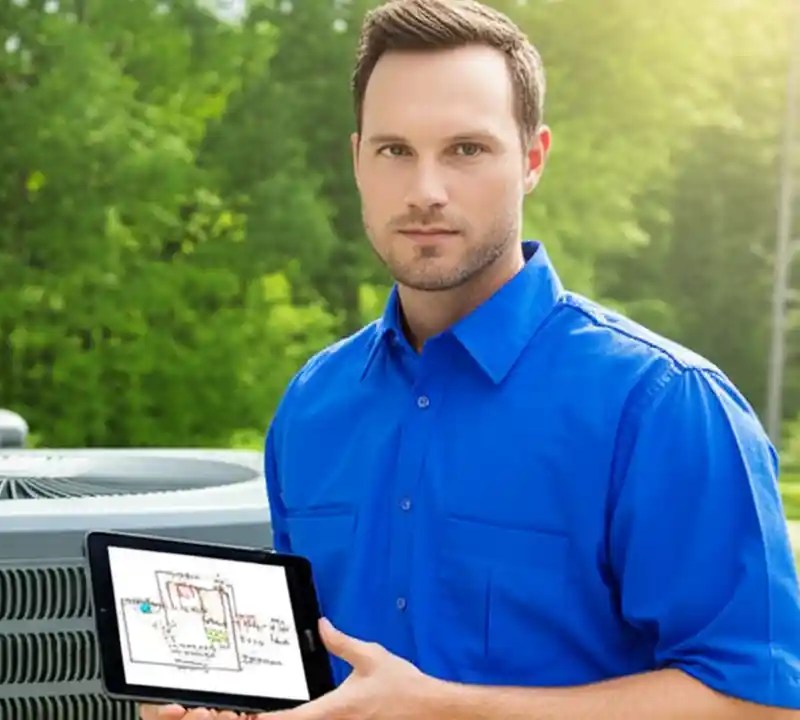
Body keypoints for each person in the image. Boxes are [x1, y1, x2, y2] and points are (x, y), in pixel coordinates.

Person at [138, 0, 800, 718]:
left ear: (534, 160)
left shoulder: (667, 406)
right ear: (357, 159)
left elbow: (759, 704)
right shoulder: (313, 406)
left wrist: (446, 710)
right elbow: (324, 686)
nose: (426, 191)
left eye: (466, 150)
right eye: (395, 151)